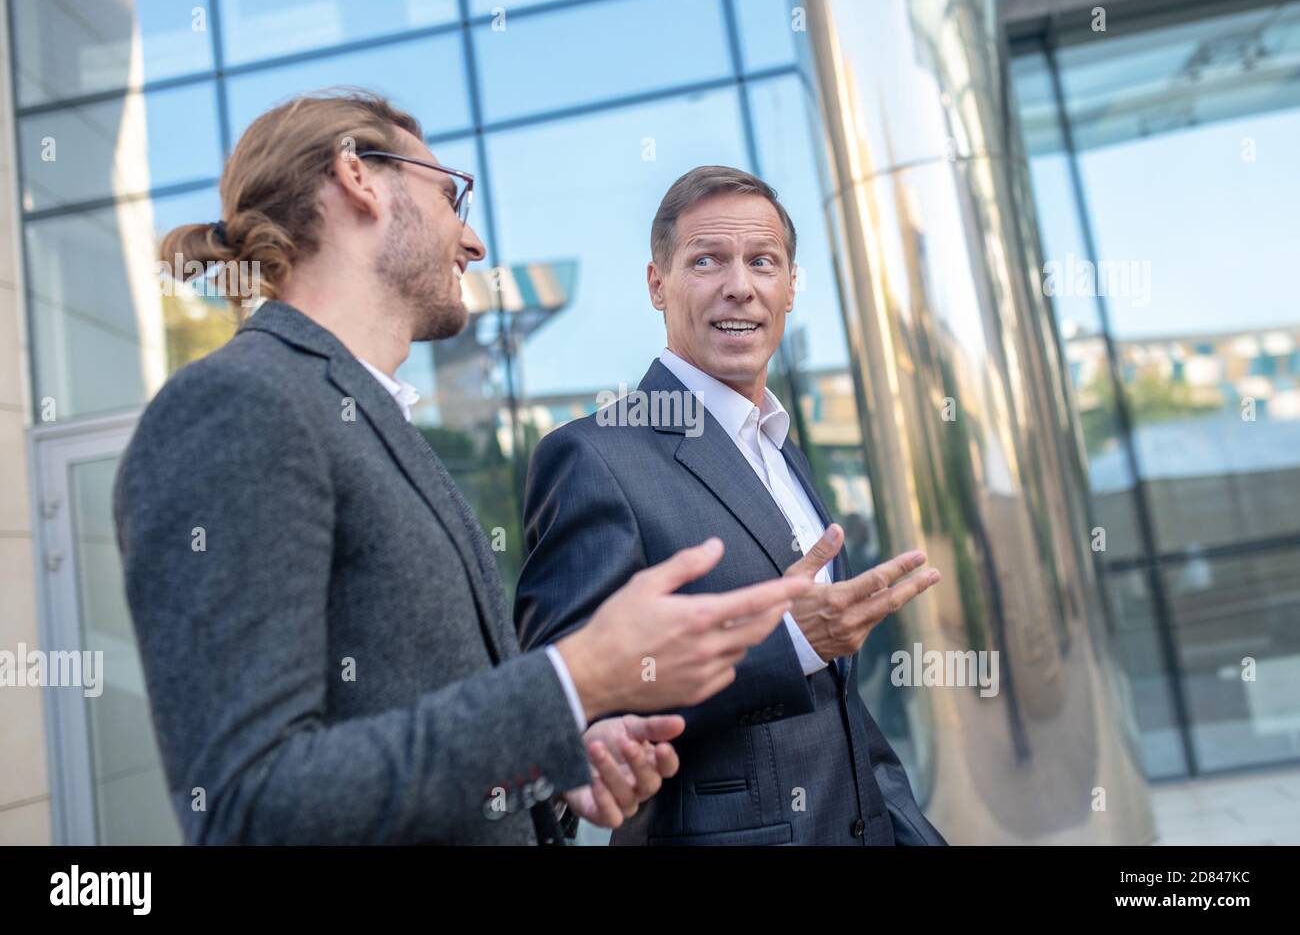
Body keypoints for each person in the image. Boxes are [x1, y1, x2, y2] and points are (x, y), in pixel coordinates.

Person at [113, 93, 808, 845]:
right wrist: (577, 679)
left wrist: (554, 759)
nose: (472, 242)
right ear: (358, 178)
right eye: (451, 196)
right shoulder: (236, 405)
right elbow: (249, 809)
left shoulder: (371, 419)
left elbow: (416, 727)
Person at [516, 166, 947, 845]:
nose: (739, 285)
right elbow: (569, 703)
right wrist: (790, 644)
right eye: (707, 260)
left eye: (762, 261)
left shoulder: (780, 451)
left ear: (790, 287)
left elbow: (840, 707)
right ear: (658, 285)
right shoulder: (594, 457)